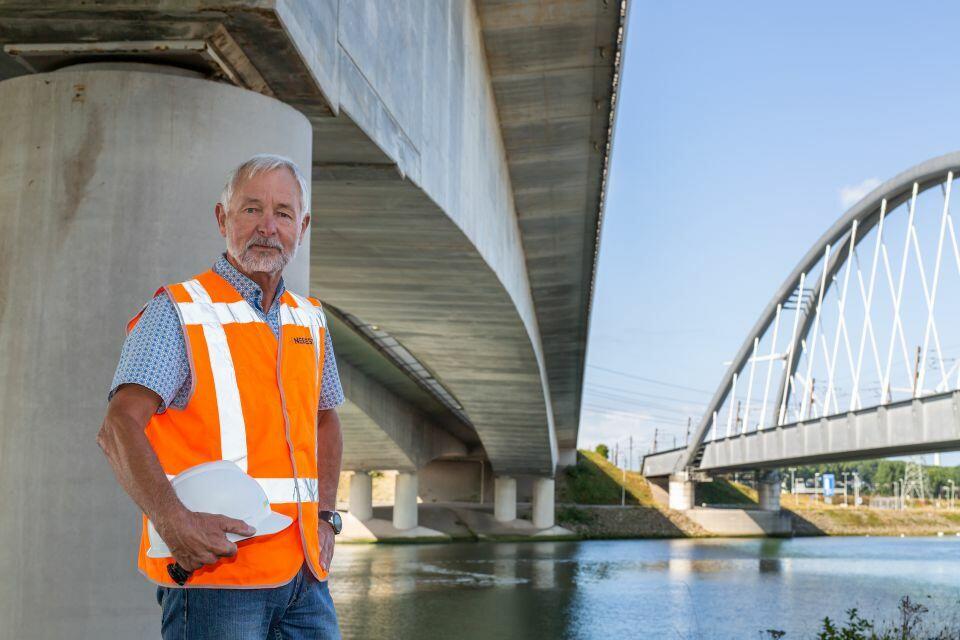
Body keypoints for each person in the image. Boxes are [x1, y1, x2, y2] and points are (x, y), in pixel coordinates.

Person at [97, 154, 344, 639]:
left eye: (283, 213)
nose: (267, 227)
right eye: (251, 210)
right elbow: (117, 426)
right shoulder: (179, 312)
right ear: (222, 218)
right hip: (218, 578)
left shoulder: (310, 319)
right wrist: (174, 522)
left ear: (303, 225)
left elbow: (325, 420)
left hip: (304, 577)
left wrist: (325, 517)